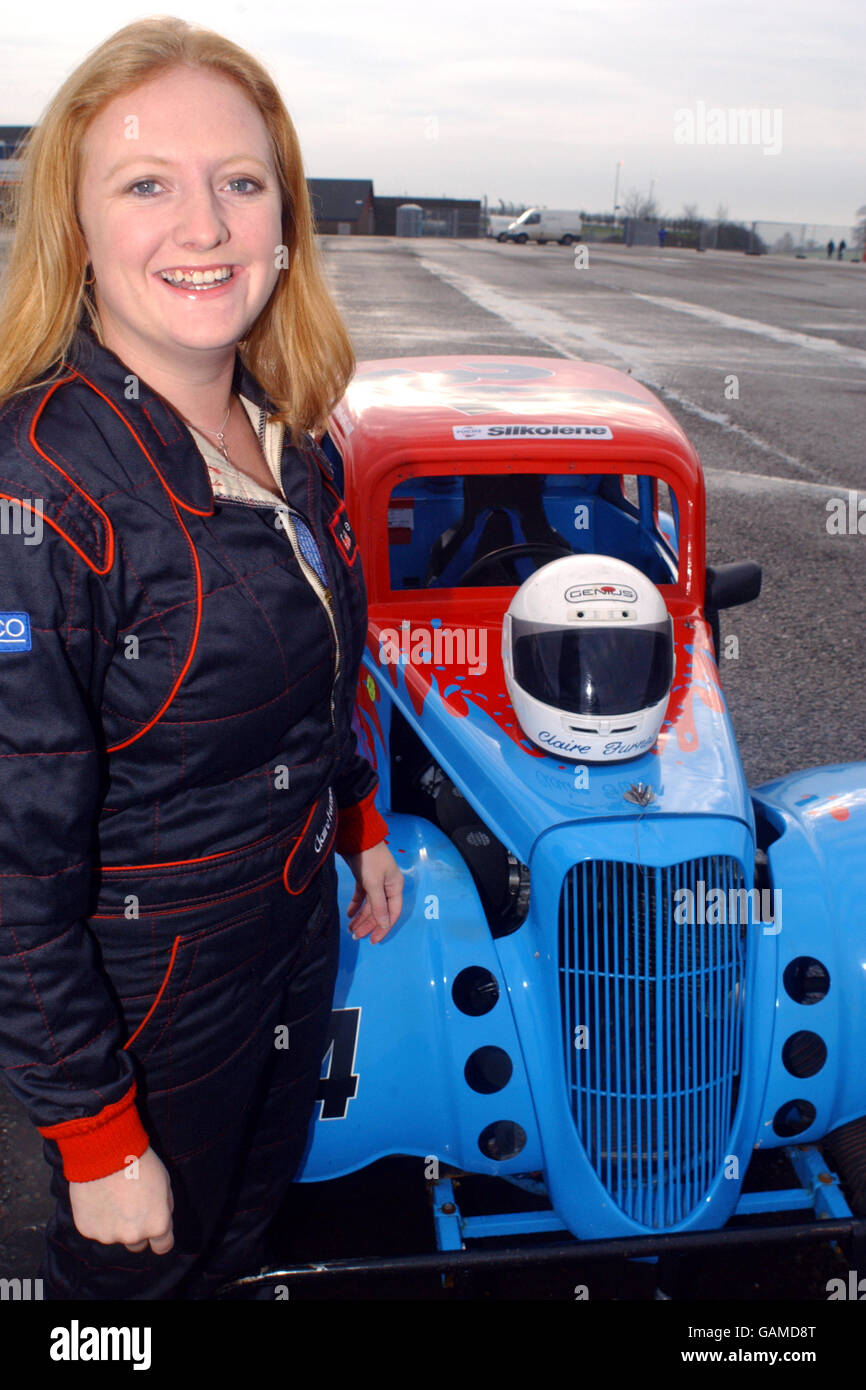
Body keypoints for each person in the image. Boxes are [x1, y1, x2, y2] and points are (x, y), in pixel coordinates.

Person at [0, 17, 402, 1300]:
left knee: (236, 1247)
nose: (206, 225)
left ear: (284, 218)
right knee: (121, 1307)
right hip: (144, 1007)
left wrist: (356, 818)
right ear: (75, 223)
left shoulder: (293, 436)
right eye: (145, 183)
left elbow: (317, 671)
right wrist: (97, 1131)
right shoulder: (37, 492)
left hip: (285, 943)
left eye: (239, 181)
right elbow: (13, 869)